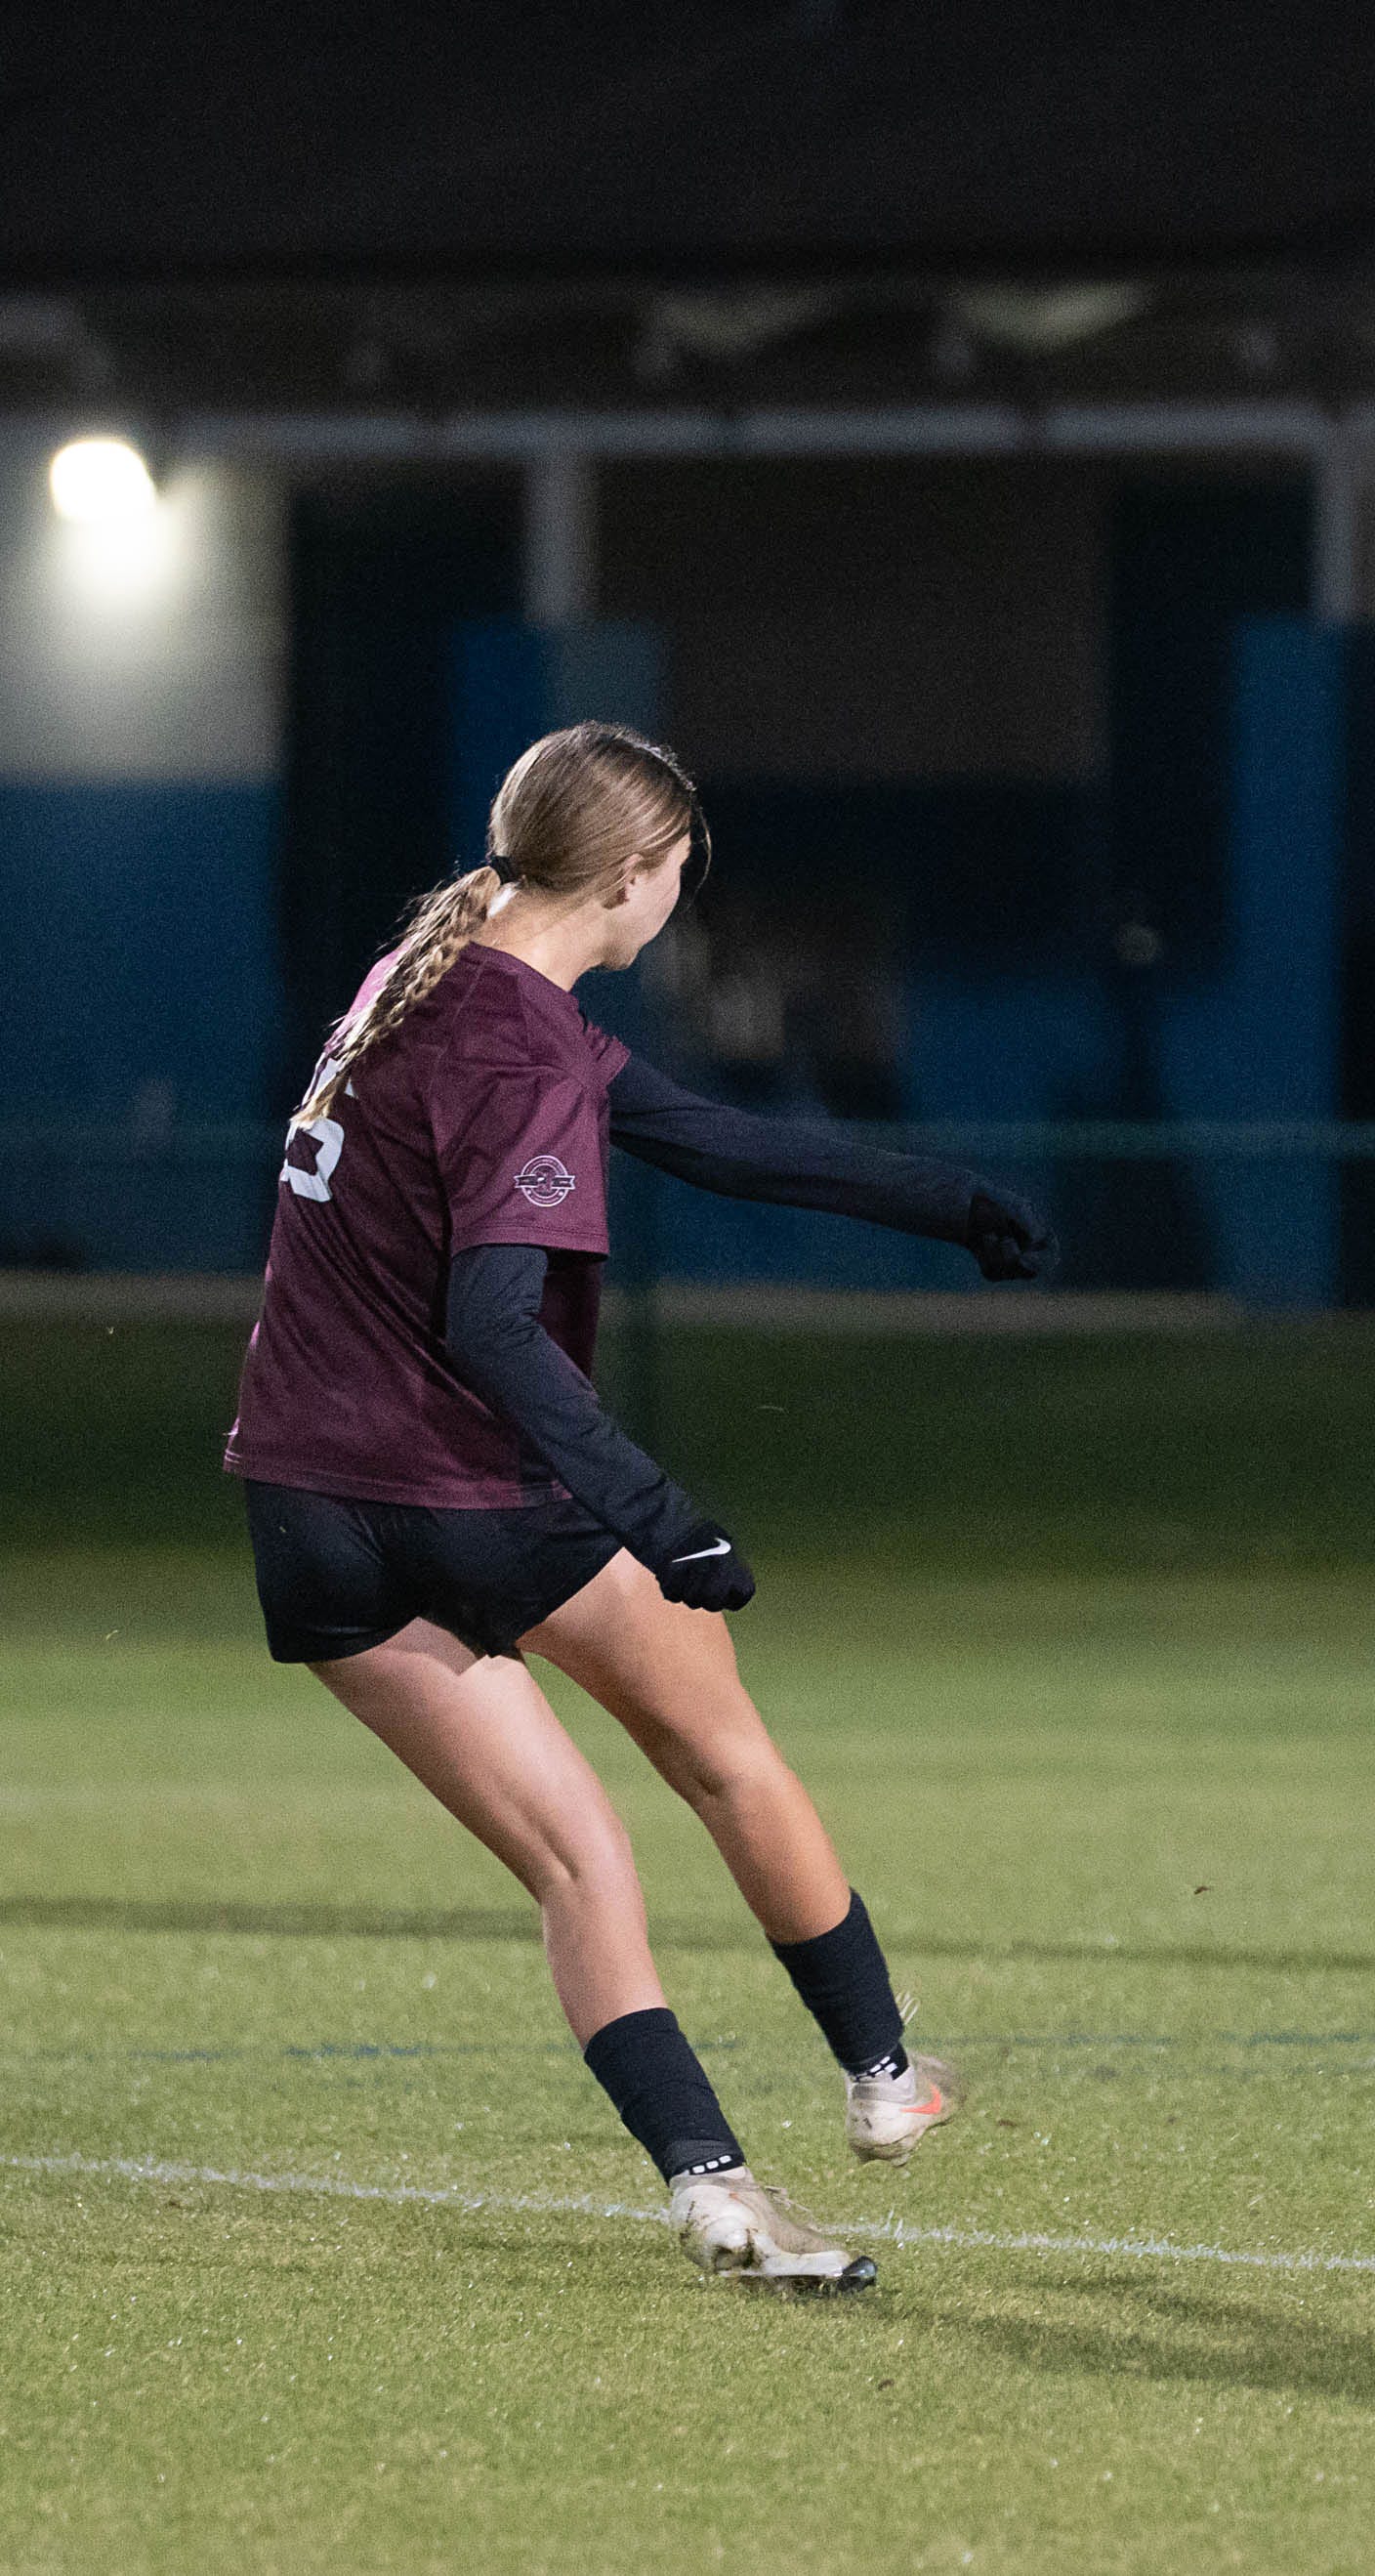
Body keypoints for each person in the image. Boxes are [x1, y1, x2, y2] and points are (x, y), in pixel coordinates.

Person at [224, 722, 1055, 2286]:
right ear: (632, 875)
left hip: (305, 1513)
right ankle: (884, 2078)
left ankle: (718, 2189)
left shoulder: (418, 977)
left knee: (576, 1859)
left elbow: (708, 1138)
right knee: (722, 1750)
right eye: (681, 870)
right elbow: (489, 1327)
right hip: (468, 1489)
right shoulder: (523, 1042)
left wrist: (938, 1199)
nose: (683, 894)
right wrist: (659, 1511)